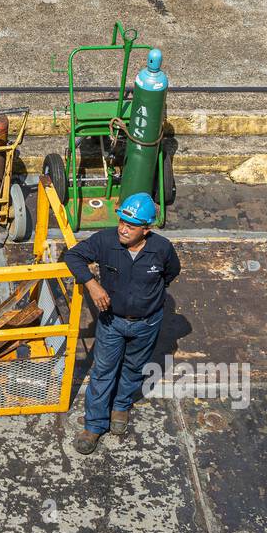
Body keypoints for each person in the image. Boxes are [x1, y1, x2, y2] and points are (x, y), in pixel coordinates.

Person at [62, 191, 180, 455]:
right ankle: (93, 426)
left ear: (146, 230)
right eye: (122, 222)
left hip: (146, 324)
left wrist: (146, 300)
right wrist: (92, 284)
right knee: (103, 371)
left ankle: (120, 407)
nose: (124, 229)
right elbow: (73, 257)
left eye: (132, 226)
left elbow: (171, 272)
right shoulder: (105, 240)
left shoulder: (161, 249)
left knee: (134, 367)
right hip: (111, 322)